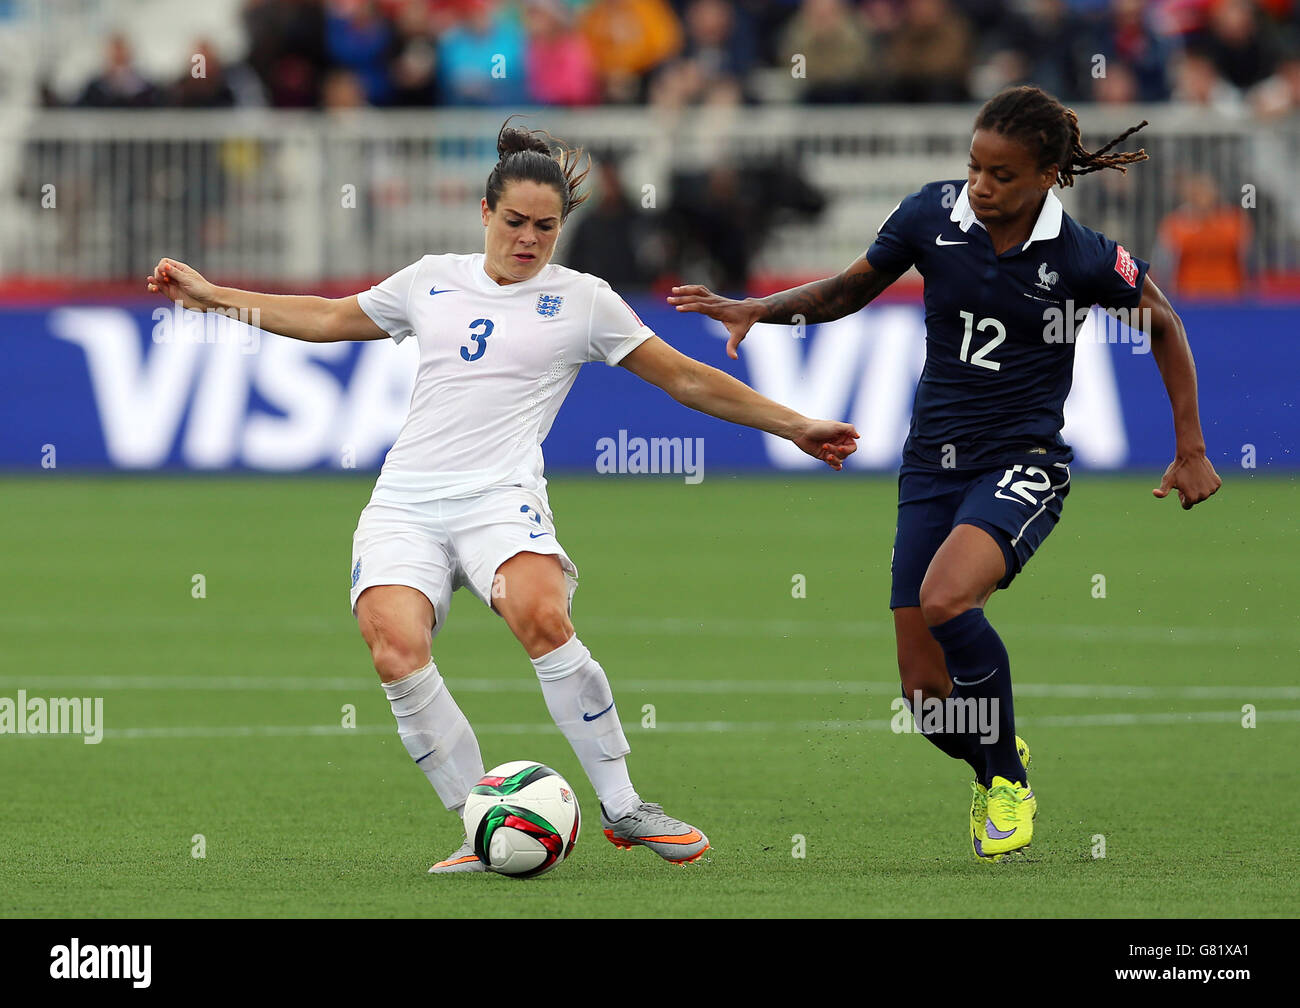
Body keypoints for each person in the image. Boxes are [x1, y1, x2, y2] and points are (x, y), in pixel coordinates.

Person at [146, 121, 858, 873]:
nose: (528, 239)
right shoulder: (430, 280)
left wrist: (796, 424)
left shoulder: (584, 300)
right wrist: (212, 296)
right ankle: (479, 825)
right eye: (515, 222)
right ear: (485, 213)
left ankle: (623, 806)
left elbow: (684, 376)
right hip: (407, 501)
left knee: (541, 614)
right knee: (394, 649)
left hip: (500, 496)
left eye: (545, 227)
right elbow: (327, 318)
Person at [668, 85, 1222, 862]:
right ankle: (1001, 763)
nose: (981, 185)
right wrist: (761, 309)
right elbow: (848, 290)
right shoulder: (931, 216)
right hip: (930, 467)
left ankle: (1004, 788)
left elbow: (1162, 321)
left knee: (947, 598)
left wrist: (1189, 444)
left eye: (1001, 174)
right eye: (975, 167)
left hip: (1023, 463)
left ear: (1046, 177)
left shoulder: (1084, 256)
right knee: (928, 704)